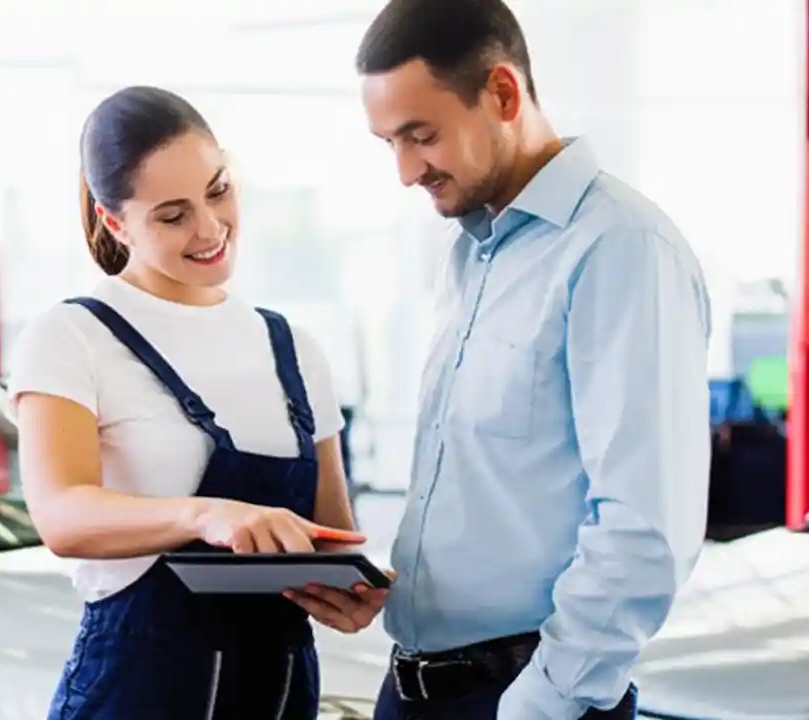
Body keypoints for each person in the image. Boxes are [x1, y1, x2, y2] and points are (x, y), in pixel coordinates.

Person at [286, 1, 713, 718]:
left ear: (504, 94)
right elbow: (503, 492)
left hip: (528, 699)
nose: (404, 171)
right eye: (388, 142)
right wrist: (407, 587)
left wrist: (540, 705)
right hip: (418, 687)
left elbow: (646, 528)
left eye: (421, 137)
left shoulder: (621, 250)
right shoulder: (472, 254)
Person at [7, 85, 382, 719]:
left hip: (281, 691)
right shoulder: (72, 336)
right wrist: (206, 516)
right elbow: (61, 517)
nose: (210, 229)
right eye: (173, 215)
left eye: (218, 190)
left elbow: (331, 531)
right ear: (114, 220)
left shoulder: (293, 347)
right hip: (136, 692)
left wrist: (353, 589)